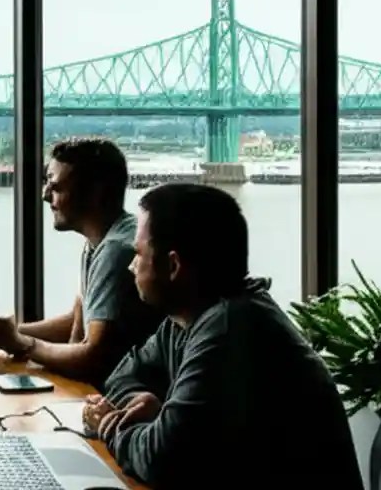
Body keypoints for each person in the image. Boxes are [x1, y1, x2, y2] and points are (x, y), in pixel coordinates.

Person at [82, 183, 362, 489]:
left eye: (138, 253)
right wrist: (146, 401)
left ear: (173, 266)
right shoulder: (188, 316)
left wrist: (111, 427)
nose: (131, 265)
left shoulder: (229, 328)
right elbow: (123, 375)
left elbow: (161, 461)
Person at [0, 138, 161, 386]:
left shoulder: (115, 252)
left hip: (122, 401)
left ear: (94, 193)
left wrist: (19, 342)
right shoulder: (101, 240)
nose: (45, 195)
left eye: (56, 187)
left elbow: (92, 357)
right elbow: (77, 320)